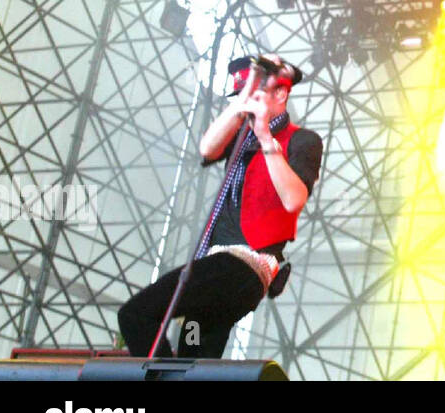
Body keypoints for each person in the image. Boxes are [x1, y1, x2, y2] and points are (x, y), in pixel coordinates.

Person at [117, 55, 322, 358]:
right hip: (218, 274)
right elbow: (207, 147)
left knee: (137, 314)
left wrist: (265, 135)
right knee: (194, 350)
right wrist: (242, 101)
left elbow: (293, 199)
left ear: (280, 94)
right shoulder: (240, 136)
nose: (247, 102)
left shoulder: (302, 140)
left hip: (241, 267)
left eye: (257, 94)